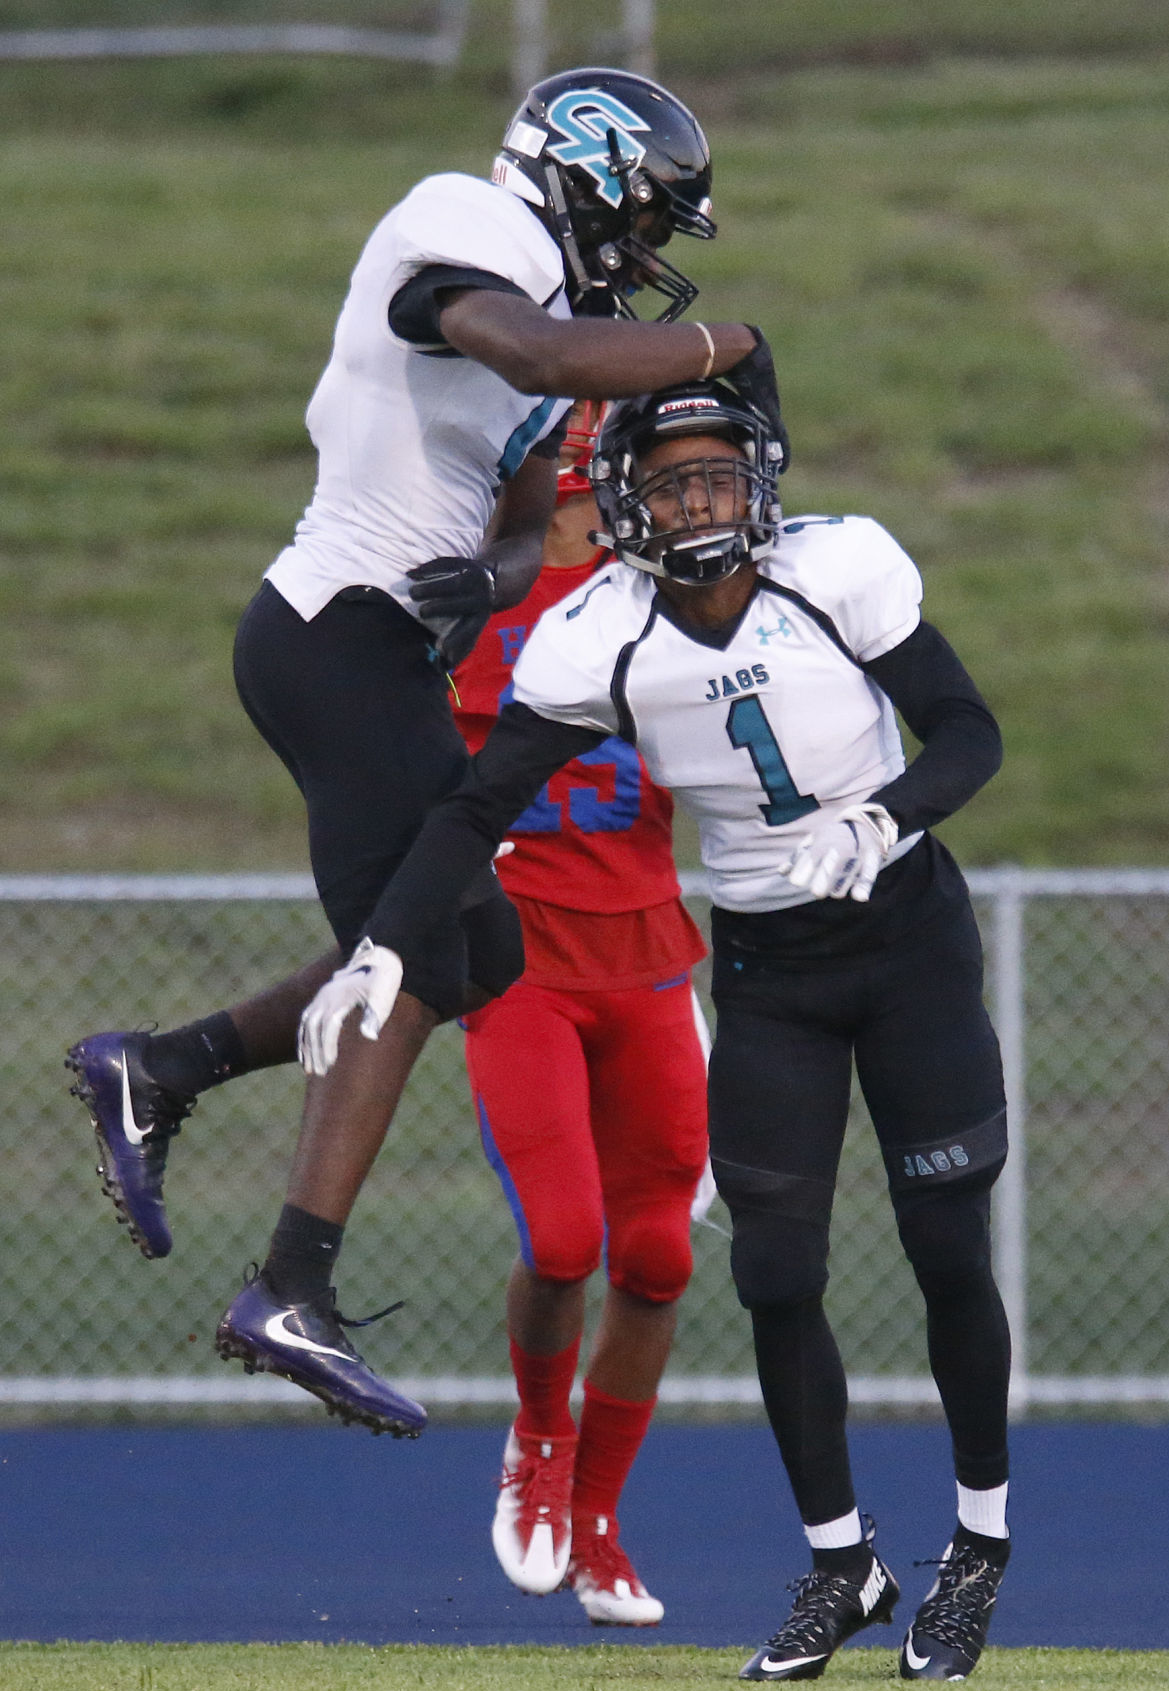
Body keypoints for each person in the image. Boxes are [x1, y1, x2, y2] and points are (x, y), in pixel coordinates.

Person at [66, 67, 782, 1441]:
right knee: (418, 957)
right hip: (328, 632)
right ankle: (287, 1283)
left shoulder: (551, 306)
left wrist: (493, 574)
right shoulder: (466, 220)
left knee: (469, 954)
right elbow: (526, 357)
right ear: (589, 173)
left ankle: (161, 1072)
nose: (642, 259)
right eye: (645, 219)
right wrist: (725, 348)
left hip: (386, 642)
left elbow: (520, 509)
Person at [326, 378, 1014, 1682]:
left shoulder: (839, 566)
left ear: (757, 484)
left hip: (907, 936)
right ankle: (841, 1564)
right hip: (767, 968)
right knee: (770, 1274)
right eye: (670, 483)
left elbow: (969, 731)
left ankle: (975, 1548)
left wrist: (889, 814)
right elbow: (475, 810)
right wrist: (384, 947)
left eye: (716, 478)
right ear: (625, 507)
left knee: (945, 1250)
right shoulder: (594, 636)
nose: (697, 504)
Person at [453, 401, 709, 1626]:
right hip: (518, 957)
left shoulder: (658, 598)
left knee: (657, 1254)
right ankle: (538, 1442)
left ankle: (600, 1520)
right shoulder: (455, 606)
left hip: (648, 949)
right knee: (563, 1239)